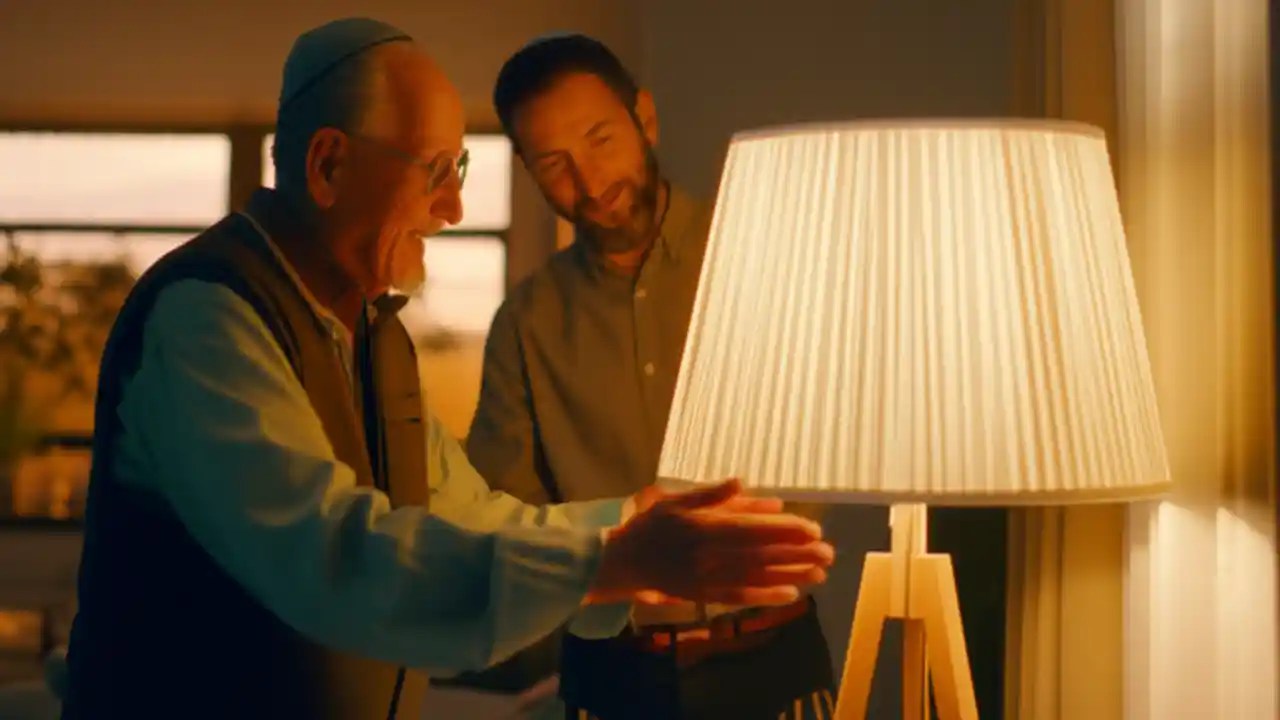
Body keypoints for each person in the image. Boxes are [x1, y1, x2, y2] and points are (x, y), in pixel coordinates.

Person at [60, 19, 834, 720]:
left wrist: (629, 521)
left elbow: (470, 513)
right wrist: (612, 558)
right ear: (328, 165)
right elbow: (330, 553)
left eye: (458, 167)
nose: (455, 207)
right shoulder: (208, 318)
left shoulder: (371, 335)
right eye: (435, 169)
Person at [466, 34, 839, 720]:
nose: (589, 181)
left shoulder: (761, 256)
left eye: (601, 139)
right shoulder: (525, 322)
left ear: (646, 118)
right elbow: (499, 521)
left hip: (772, 658)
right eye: (554, 163)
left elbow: (831, 436)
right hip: (612, 674)